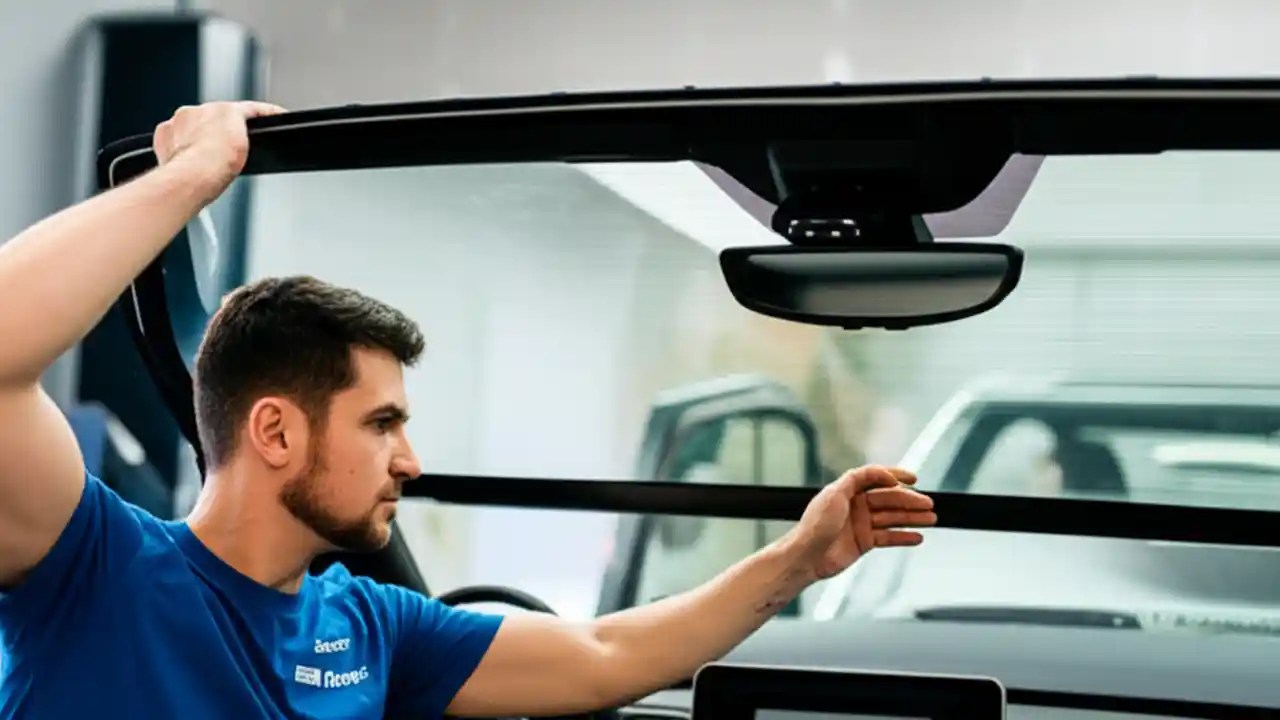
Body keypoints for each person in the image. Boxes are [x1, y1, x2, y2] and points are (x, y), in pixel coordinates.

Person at [0, 101, 938, 718]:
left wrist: (807, 556)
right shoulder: (95, 567)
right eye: (381, 424)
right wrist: (193, 177)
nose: (409, 460)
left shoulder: (374, 628)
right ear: (276, 430)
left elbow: (610, 651)